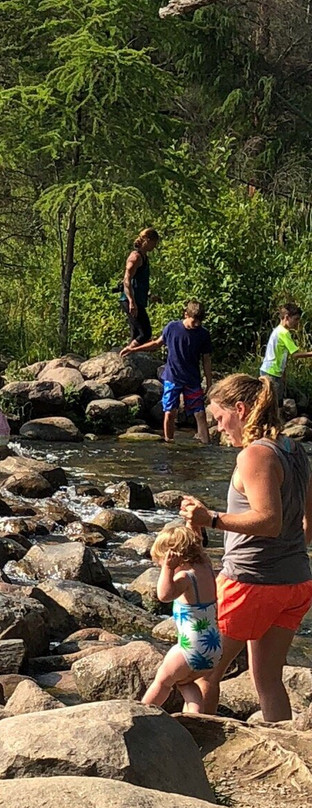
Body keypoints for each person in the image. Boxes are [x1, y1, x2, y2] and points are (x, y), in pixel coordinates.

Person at [179, 374, 312, 722]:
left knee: (204, 671)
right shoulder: (295, 450)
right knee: (268, 679)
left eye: (220, 418)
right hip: (295, 582)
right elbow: (306, 526)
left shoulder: (255, 455)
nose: (220, 428)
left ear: (240, 409)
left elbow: (268, 521)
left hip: (249, 583)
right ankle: (285, 746)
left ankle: (197, 755)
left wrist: (211, 519)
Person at [141, 523, 220, 712]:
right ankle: (195, 718)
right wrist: (194, 526)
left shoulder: (185, 577)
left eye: (160, 562)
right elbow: (197, 546)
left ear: (174, 557)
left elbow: (164, 595)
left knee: (163, 681)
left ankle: (141, 713)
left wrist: (168, 569)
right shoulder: (206, 567)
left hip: (190, 648)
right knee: (185, 682)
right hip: (213, 648)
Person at [121, 300, 213, 443]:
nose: (197, 324)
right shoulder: (172, 327)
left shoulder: (203, 334)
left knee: (200, 413)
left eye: (200, 321)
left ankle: (206, 444)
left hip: (192, 379)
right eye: (194, 321)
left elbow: (206, 359)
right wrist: (133, 349)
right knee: (170, 412)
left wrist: (209, 382)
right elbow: (157, 343)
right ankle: (169, 442)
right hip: (173, 378)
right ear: (186, 314)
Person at [119, 227, 161, 351]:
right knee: (145, 333)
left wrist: (149, 296)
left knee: (136, 334)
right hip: (130, 300)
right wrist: (131, 301)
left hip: (138, 300)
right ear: (147, 240)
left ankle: (130, 358)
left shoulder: (144, 257)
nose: (155, 246)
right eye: (154, 242)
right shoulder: (135, 257)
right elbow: (127, 280)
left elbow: (139, 282)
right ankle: (127, 352)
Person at [260, 303, 312, 401]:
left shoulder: (277, 330)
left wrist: (283, 374)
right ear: (287, 317)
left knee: (269, 402)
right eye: (296, 319)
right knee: (275, 404)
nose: (297, 323)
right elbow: (295, 354)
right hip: (272, 373)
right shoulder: (284, 333)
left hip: (269, 371)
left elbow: (280, 354)